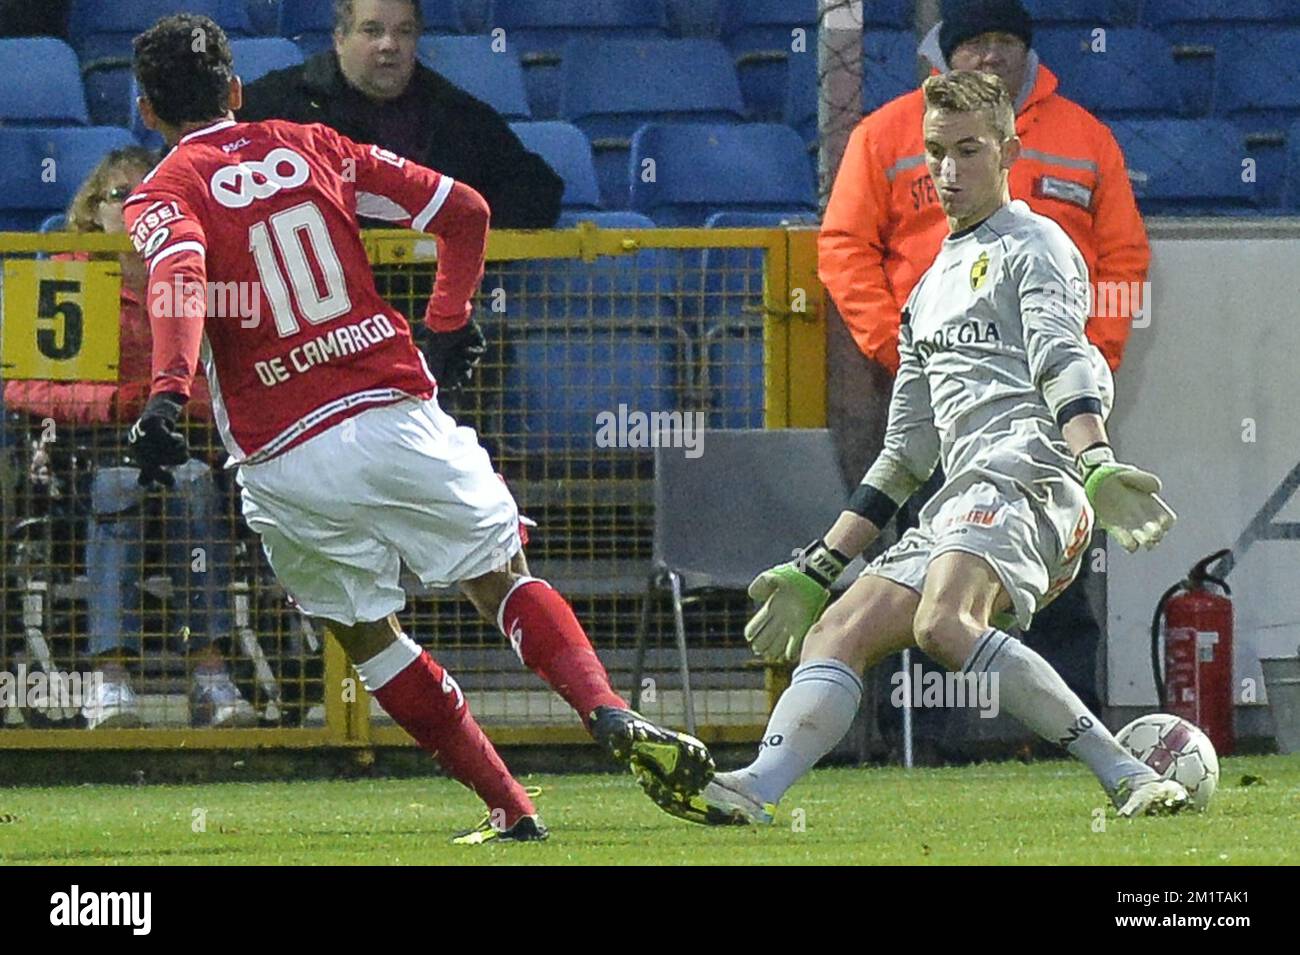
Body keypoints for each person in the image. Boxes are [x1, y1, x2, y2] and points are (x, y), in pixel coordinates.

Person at [124, 14, 712, 843]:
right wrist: (447, 316)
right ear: (234, 90)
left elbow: (183, 276)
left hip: (285, 455)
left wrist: (165, 394)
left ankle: (511, 803)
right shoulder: (314, 144)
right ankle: (606, 708)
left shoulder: (161, 193)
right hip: (394, 412)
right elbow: (465, 210)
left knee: (369, 633)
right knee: (501, 575)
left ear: (147, 112)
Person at [650, 71, 1180, 827]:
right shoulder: (926, 288)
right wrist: (819, 564)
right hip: (962, 494)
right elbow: (903, 455)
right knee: (839, 627)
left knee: (942, 623)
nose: (950, 170)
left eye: (970, 150)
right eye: (937, 152)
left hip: (1032, 474)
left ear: (1008, 152)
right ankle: (754, 787)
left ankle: (1127, 773)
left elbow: (1063, 357)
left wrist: (1094, 460)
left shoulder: (1041, 245)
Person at [822, 0, 1150, 715]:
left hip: (1054, 396)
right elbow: (844, 247)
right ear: (950, 51)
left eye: (1006, 41)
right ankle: (925, 729)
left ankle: (1061, 722)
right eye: (977, 42)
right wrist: (897, 346)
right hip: (944, 383)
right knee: (926, 551)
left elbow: (1124, 256)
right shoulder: (888, 132)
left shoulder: (1086, 137)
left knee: (1054, 563)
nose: (992, 55)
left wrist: (1095, 359)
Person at [3, 147, 256, 730]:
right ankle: (110, 682)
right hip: (88, 452)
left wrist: (171, 403)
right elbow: (20, 389)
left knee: (194, 484)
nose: (137, 209)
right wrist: (115, 401)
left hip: (181, 446)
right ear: (92, 212)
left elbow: (231, 381)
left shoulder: (198, 279)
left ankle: (210, 673)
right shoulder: (62, 279)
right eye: (122, 197)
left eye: (152, 199)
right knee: (118, 488)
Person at [238, 0, 563, 230]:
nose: (389, 45)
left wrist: (454, 235)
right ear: (339, 39)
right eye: (372, 30)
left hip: (423, 310)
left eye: (404, 32)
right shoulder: (278, 102)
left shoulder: (453, 113)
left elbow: (538, 192)